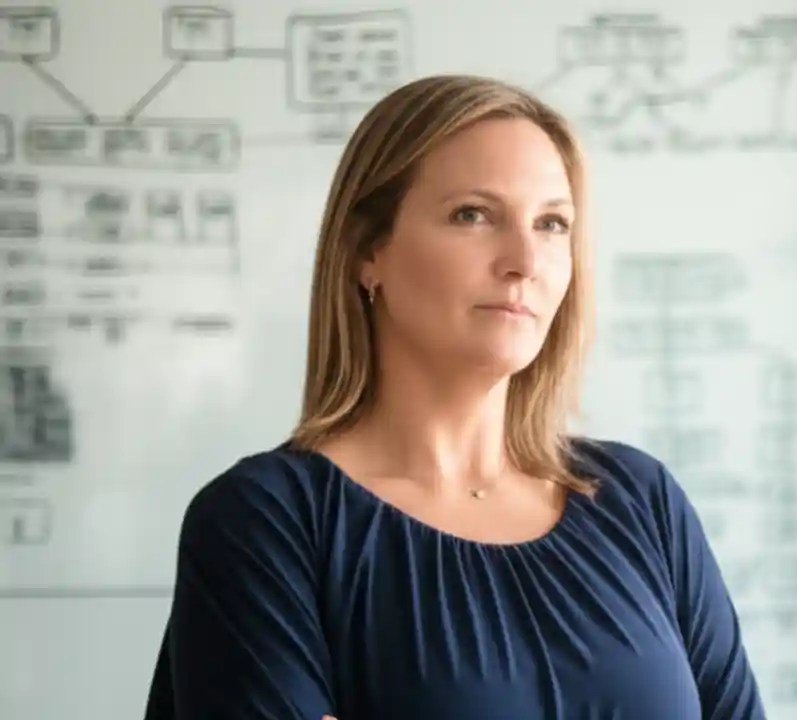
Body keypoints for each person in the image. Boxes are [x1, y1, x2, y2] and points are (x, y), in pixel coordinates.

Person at [143, 74, 765, 719]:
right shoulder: (269, 521)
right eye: (473, 215)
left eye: (552, 224)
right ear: (367, 251)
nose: (524, 259)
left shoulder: (640, 500)